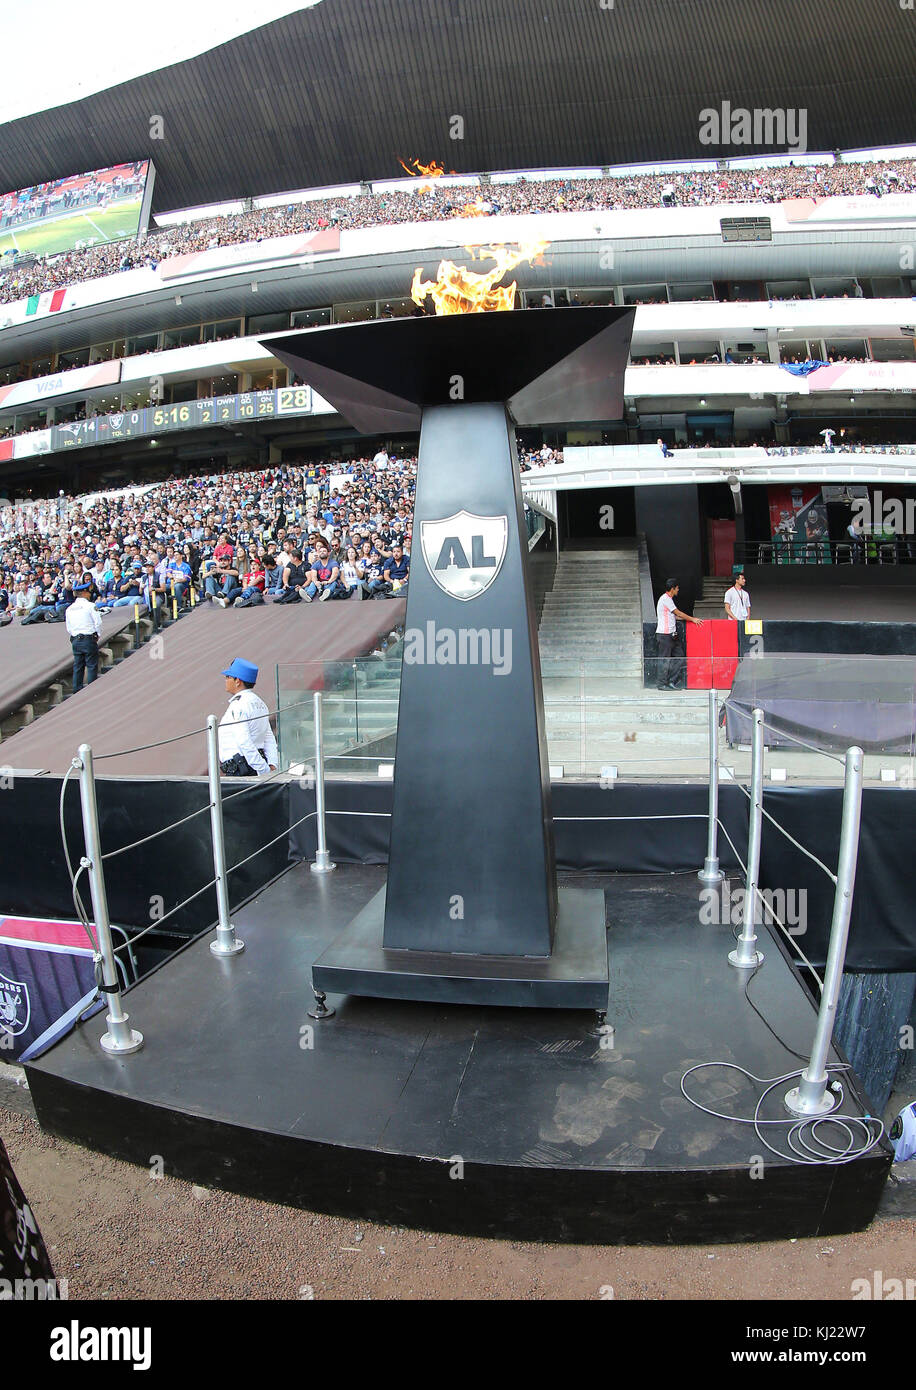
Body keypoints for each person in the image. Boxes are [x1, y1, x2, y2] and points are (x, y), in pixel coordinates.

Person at [217, 658, 278, 777]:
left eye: (228, 677)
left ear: (237, 681)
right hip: (255, 765)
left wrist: (263, 770)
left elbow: (244, 741)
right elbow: (268, 737)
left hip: (242, 769)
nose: (226, 680)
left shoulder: (239, 705)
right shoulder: (260, 703)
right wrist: (272, 764)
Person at [655, 577, 703, 690]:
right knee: (664, 659)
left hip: (671, 634)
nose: (678, 590)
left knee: (680, 657)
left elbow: (674, 615)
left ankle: (671, 681)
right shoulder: (665, 599)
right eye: (677, 588)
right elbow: (678, 613)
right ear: (672, 589)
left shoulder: (668, 599)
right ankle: (661, 683)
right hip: (665, 634)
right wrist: (692, 619)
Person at [65, 579, 102, 692]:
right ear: (85, 593)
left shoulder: (69, 609)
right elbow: (98, 622)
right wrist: (97, 635)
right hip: (88, 638)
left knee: (78, 666)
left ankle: (77, 690)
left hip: (76, 639)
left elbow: (69, 628)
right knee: (91, 665)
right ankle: (91, 690)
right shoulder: (90, 606)